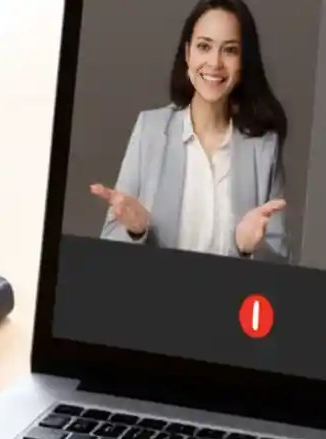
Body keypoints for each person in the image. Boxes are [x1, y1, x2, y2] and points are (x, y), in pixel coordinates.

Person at [89, 0, 290, 262]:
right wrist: (136, 231)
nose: (214, 62)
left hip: (229, 300)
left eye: (229, 50)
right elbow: (109, 244)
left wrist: (247, 248)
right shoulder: (150, 129)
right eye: (204, 47)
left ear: (243, 62)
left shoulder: (263, 148)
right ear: (188, 54)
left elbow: (281, 264)